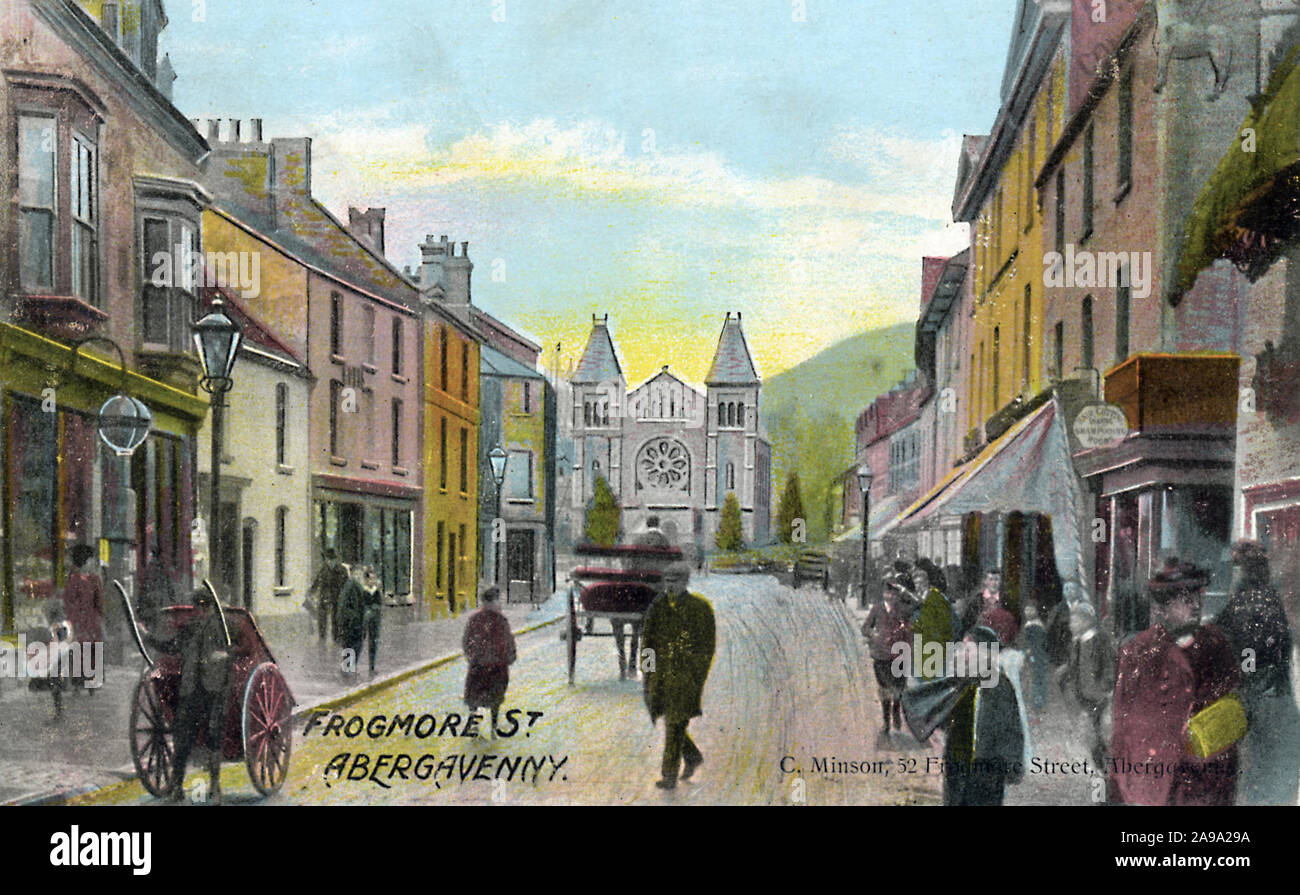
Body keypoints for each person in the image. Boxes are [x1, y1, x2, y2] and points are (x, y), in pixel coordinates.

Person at [1109, 558, 1240, 806]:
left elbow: (1232, 706)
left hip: (1208, 780)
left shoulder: (1215, 645)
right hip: (1159, 782)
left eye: (1197, 596)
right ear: (1163, 608)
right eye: (1184, 598)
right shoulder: (1138, 652)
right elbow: (1123, 725)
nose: (1195, 604)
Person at [1213, 541, 1300, 806]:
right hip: (1277, 696)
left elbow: (1228, 641)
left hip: (1257, 695)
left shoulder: (1244, 600)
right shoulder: (1272, 599)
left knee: (1258, 769)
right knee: (1276, 770)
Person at [642, 562, 715, 790]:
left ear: (685, 583)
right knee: (670, 718)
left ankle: (669, 775)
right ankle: (692, 756)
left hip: (685, 677)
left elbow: (706, 647)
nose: (670, 587)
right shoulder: (658, 606)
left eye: (675, 582)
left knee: (675, 723)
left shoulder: (699, 608)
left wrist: (696, 675)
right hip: (661, 676)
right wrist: (647, 672)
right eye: (668, 582)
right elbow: (648, 642)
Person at [169, 587, 232, 803]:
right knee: (183, 739)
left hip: (214, 688)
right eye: (200, 607)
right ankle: (176, 787)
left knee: (214, 736)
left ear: (212, 608)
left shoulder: (223, 627)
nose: (203, 611)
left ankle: (215, 786)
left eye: (207, 607)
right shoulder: (188, 629)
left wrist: (220, 658)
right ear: (196, 608)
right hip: (191, 689)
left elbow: (232, 653)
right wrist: (146, 638)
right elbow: (172, 647)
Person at [863, 572, 917, 737]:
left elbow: (917, 607)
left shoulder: (904, 609)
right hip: (880, 656)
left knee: (899, 689)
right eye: (888, 593)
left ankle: (896, 710)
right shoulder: (877, 609)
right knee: (885, 690)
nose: (890, 597)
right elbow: (865, 628)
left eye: (894, 593)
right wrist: (873, 635)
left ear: (897, 594)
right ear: (883, 594)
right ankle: (886, 723)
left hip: (899, 657)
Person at [463, 586, 517, 735]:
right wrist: (510, 656)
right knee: (489, 696)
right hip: (491, 665)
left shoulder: (479, 619)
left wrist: (471, 656)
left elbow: (467, 641)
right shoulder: (498, 620)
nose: (496, 604)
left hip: (485, 664)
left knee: (483, 695)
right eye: (495, 601)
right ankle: (484, 724)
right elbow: (508, 640)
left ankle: (489, 724)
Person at [62, 544, 103, 649]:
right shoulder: (73, 581)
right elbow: (69, 606)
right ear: (84, 561)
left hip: (92, 626)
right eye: (91, 559)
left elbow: (99, 604)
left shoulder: (94, 579)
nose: (93, 562)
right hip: (79, 627)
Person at [307, 549, 350, 644]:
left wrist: (345, 596)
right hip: (325, 595)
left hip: (337, 596)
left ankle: (337, 638)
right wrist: (312, 590)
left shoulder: (341, 570)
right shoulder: (324, 569)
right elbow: (318, 580)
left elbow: (347, 584)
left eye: (330, 559)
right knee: (322, 616)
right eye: (328, 559)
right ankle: (322, 637)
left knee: (336, 618)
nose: (329, 562)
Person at [335, 565, 369, 677]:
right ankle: (348, 670)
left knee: (351, 646)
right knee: (353, 646)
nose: (360, 576)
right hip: (352, 623)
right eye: (358, 574)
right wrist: (355, 619)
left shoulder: (353, 585)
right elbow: (344, 606)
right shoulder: (352, 585)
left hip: (352, 623)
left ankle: (348, 669)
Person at [1018, 602, 1049, 716]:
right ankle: (1035, 701)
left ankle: (1038, 703)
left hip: (1036, 655)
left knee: (1037, 677)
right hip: (1034, 654)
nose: (1028, 612)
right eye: (1027, 610)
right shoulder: (1030, 624)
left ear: (1036, 611)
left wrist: (1030, 651)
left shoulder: (1035, 626)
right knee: (1033, 677)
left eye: (1031, 610)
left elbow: (1037, 643)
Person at [360, 566, 383, 675]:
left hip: (375, 621)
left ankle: (372, 667)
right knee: (359, 643)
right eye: (370, 579)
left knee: (373, 643)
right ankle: (353, 666)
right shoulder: (363, 591)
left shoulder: (376, 591)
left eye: (374, 579)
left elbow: (379, 604)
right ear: (366, 579)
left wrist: (375, 609)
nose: (372, 581)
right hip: (364, 620)